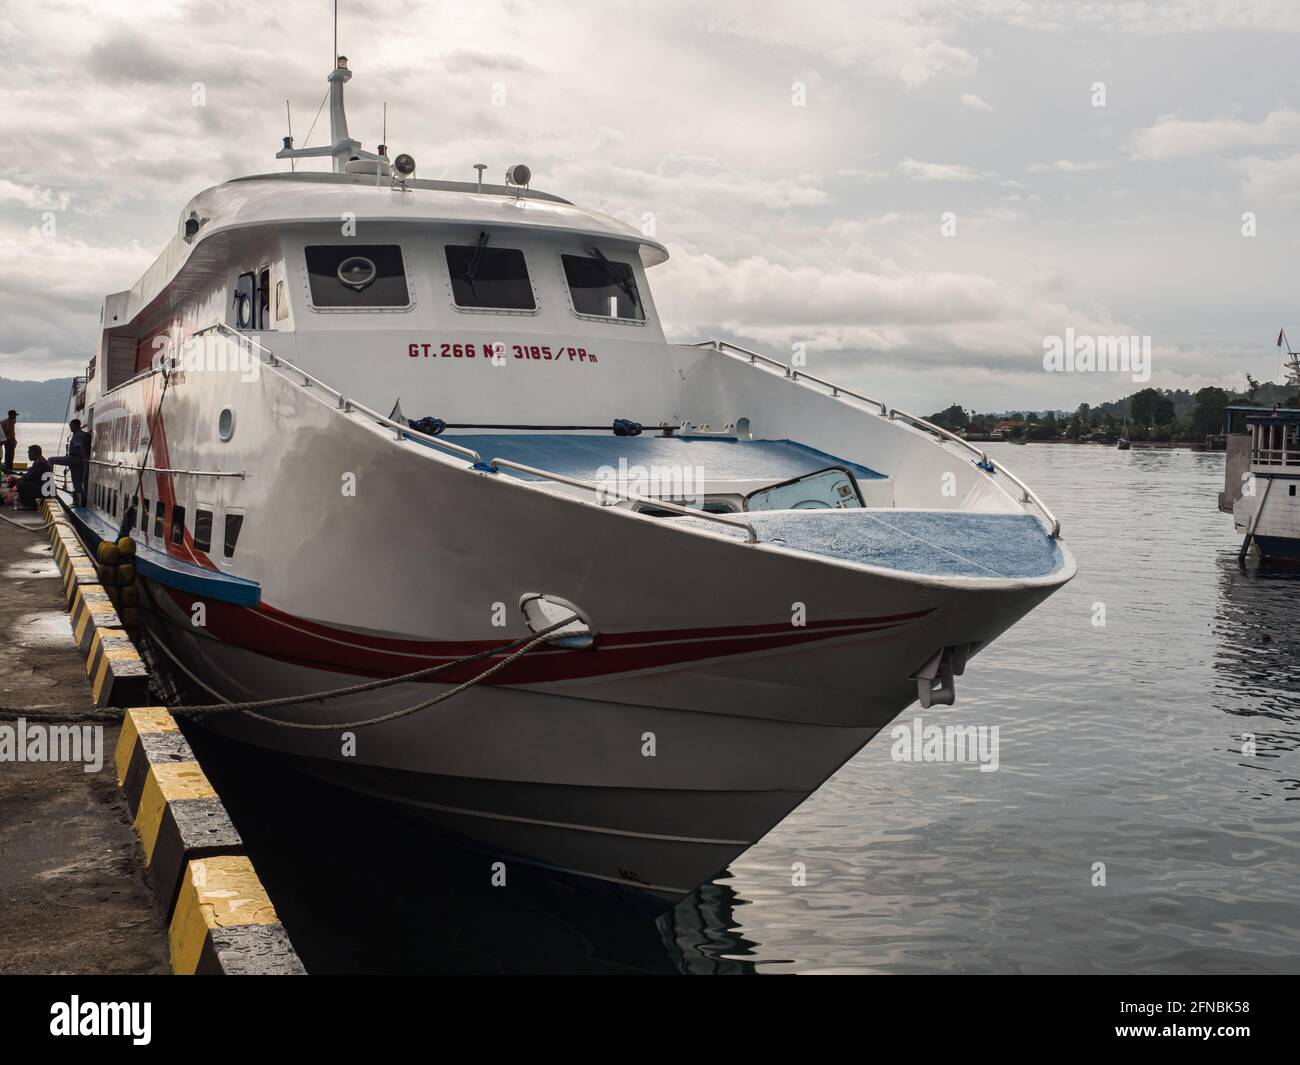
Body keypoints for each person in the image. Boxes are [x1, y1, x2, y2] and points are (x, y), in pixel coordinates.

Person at [51, 418, 92, 506]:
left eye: (72, 426)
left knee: (51, 460)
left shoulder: (78, 435)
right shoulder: (83, 434)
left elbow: (81, 447)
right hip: (78, 460)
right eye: (70, 426)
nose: (71, 428)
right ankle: (80, 501)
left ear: (78, 426)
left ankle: (48, 481)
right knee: (77, 482)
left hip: (74, 459)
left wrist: (84, 458)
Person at [4, 445, 52, 509]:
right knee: (21, 482)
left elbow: (28, 478)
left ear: (34, 453)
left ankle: (30, 505)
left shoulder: (39, 462)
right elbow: (30, 475)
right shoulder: (41, 460)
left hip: (46, 491)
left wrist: (15, 481)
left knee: (21, 484)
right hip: (46, 489)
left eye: (29, 453)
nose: (28, 455)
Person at [1, 409, 15, 474]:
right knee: (8, 457)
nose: (15, 417)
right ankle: (8, 471)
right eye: (14, 415)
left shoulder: (12, 421)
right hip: (8, 442)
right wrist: (6, 439)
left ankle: (9, 470)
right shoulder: (6, 422)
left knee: (10, 457)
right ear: (10, 415)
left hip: (11, 442)